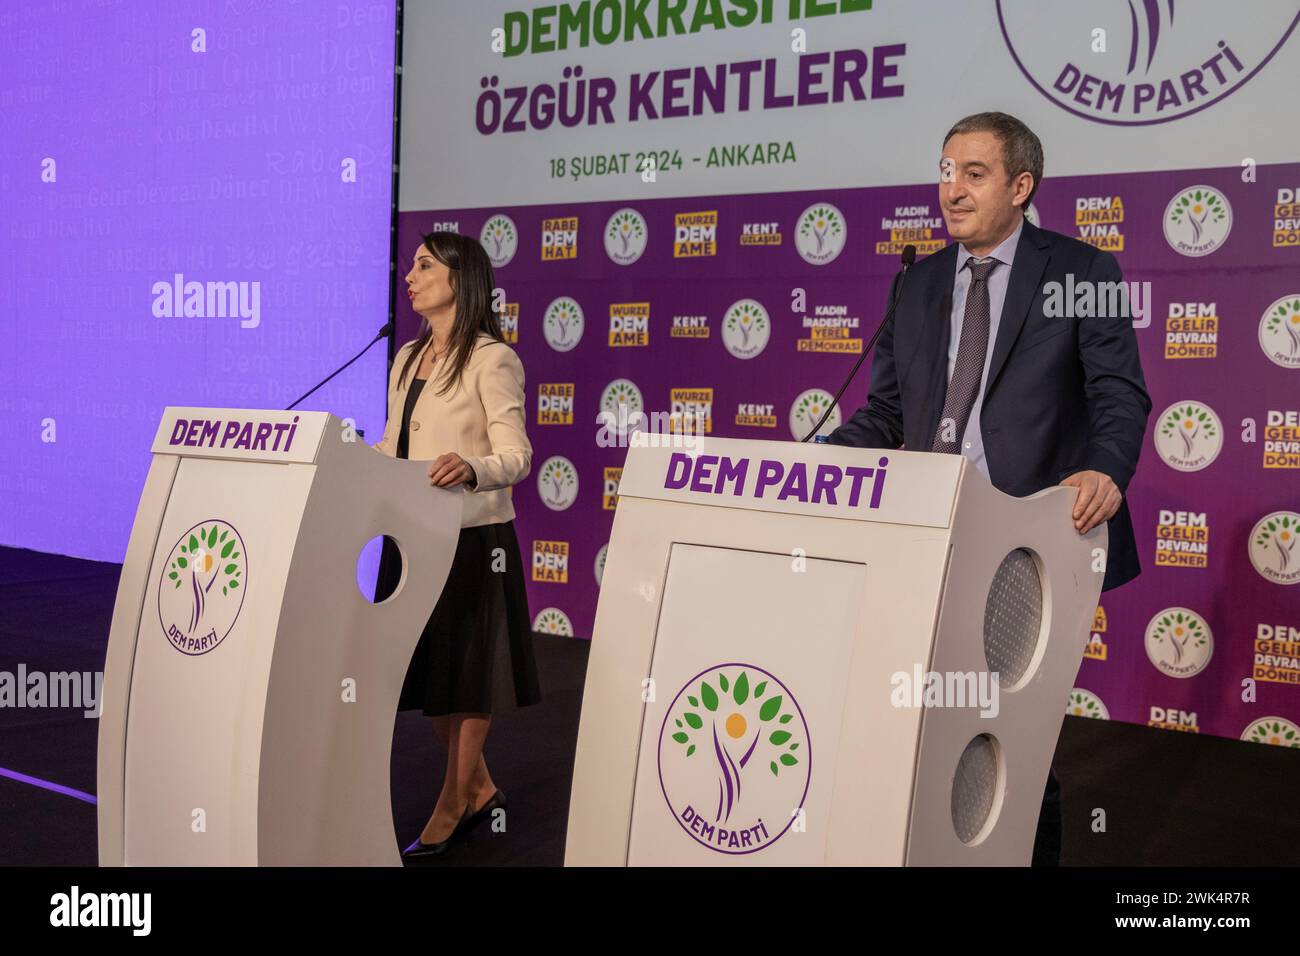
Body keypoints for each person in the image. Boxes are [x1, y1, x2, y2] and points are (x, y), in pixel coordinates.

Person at [826, 112, 1150, 865]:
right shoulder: (917, 281)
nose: (952, 189)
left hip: (1025, 545)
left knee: (1008, 734)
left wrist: (1106, 466)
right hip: (921, 536)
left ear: (1021, 186)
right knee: (918, 729)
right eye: (945, 171)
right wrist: (819, 465)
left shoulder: (1082, 271)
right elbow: (883, 414)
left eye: (974, 173)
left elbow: (1119, 395)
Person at [371, 231, 541, 860]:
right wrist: (347, 462)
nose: (409, 275)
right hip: (410, 537)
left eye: (423, 265)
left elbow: (516, 456)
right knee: (434, 679)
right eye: (410, 265)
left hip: (471, 537)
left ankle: (452, 804)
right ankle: (481, 788)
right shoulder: (407, 355)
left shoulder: (491, 358)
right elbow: (395, 444)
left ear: (459, 278)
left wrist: (472, 467)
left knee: (467, 677)